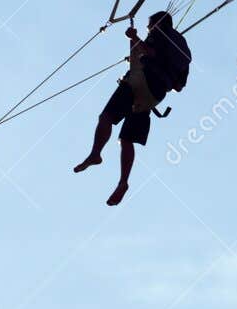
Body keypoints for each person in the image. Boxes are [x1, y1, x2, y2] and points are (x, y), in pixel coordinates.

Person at [74, 11, 191, 206]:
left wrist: (134, 37)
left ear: (157, 24)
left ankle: (95, 153)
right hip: (155, 96)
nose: (147, 29)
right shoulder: (184, 53)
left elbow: (150, 51)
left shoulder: (160, 33)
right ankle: (123, 182)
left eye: (149, 26)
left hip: (140, 81)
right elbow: (178, 87)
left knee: (106, 117)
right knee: (126, 139)